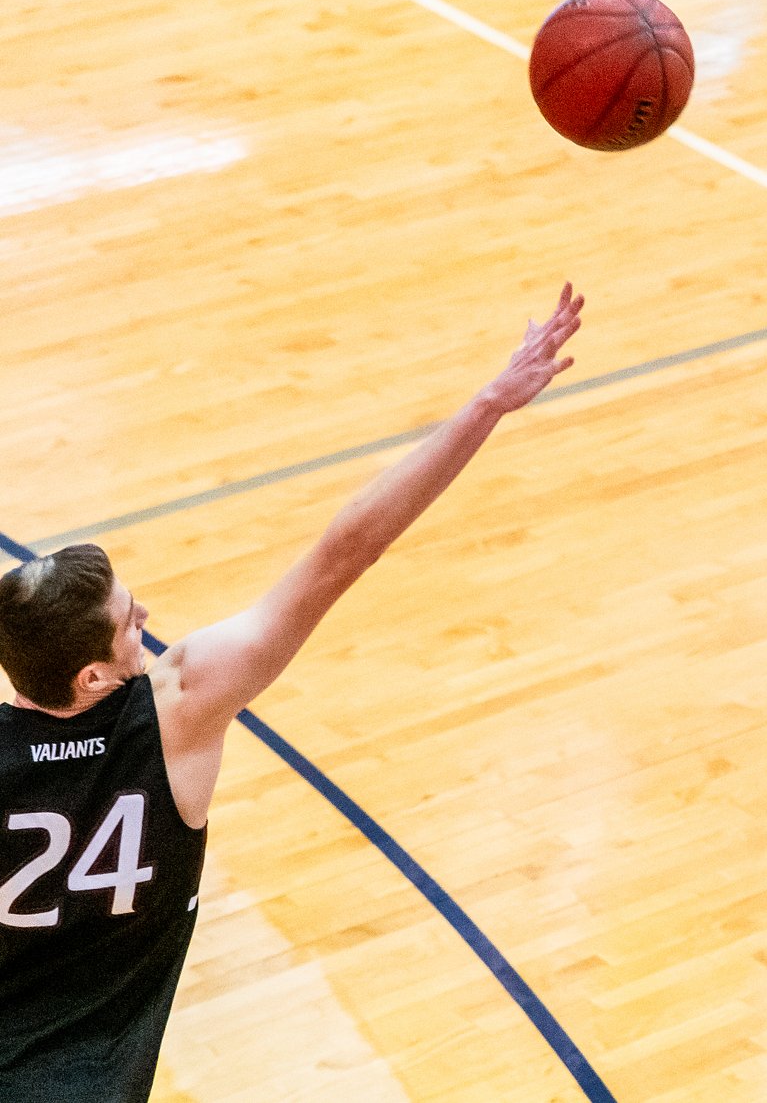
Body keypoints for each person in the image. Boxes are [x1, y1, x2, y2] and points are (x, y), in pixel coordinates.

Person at [0, 284, 585, 1100]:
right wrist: (488, 402)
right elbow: (347, 549)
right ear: (90, 676)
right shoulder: (179, 712)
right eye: (130, 622)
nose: (147, 620)